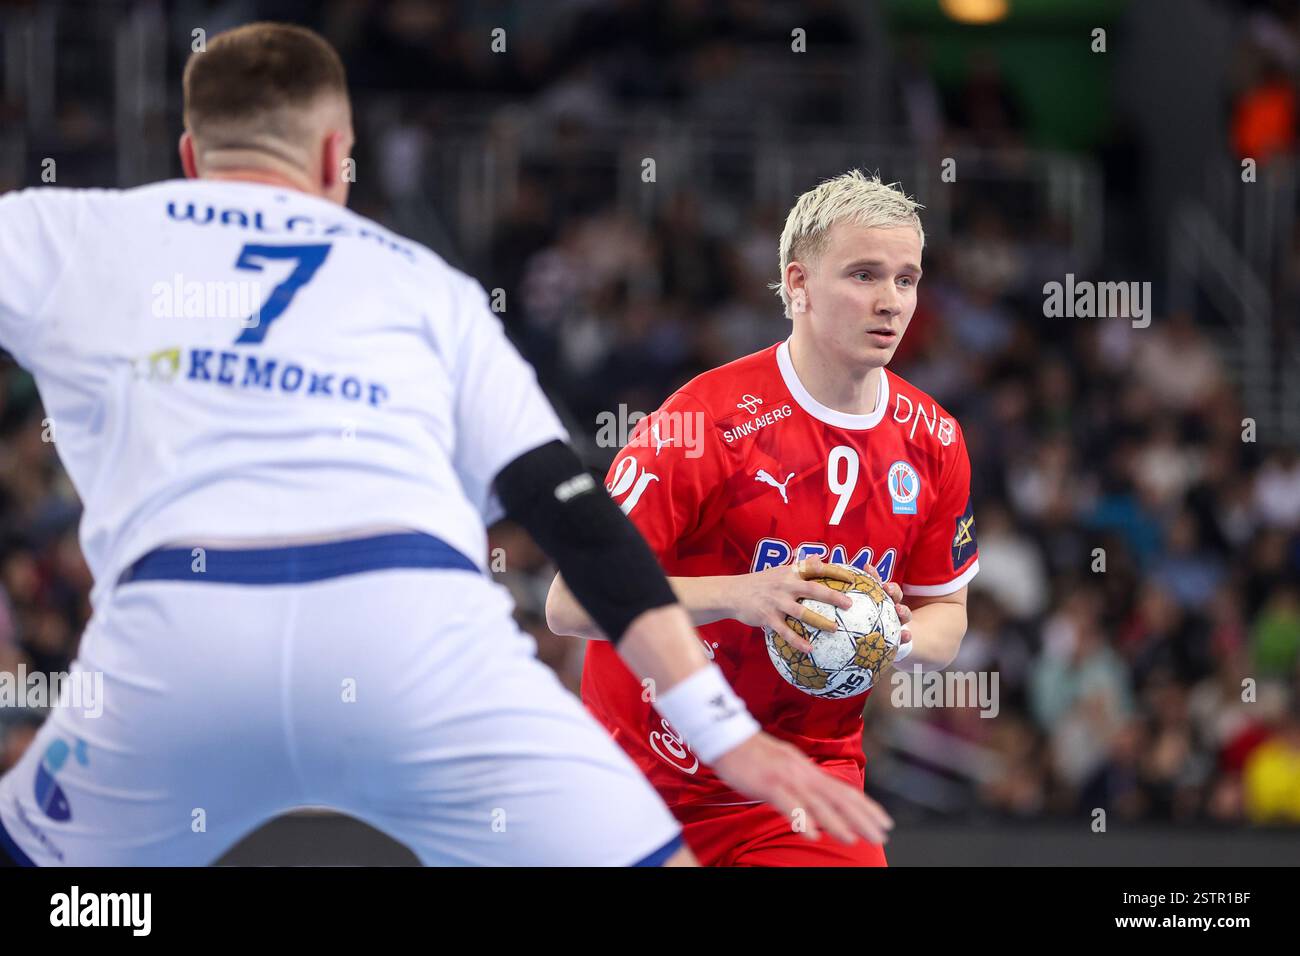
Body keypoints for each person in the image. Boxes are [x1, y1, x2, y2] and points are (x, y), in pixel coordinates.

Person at [0, 23, 892, 867]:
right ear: (330, 160)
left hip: (178, 638)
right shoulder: (429, 286)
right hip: (415, 633)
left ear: (191, 160)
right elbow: (577, 517)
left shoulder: (69, 232)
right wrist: (727, 737)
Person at [549, 170, 978, 866]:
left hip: (800, 784)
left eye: (907, 279)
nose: (890, 302)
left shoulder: (934, 439)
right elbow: (570, 604)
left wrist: (886, 634)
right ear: (798, 285)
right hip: (642, 781)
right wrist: (743, 596)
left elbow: (947, 619)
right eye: (864, 275)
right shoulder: (701, 421)